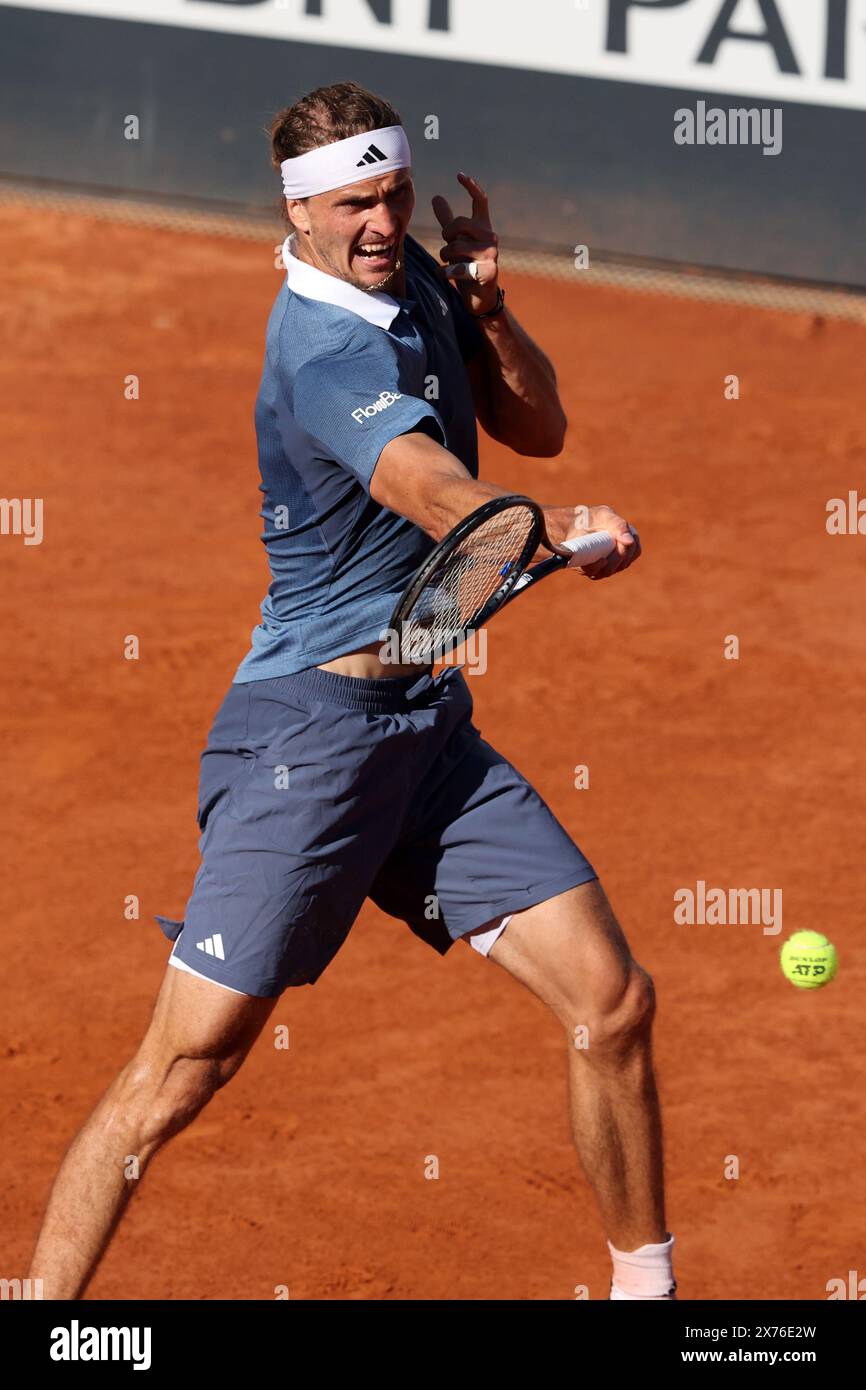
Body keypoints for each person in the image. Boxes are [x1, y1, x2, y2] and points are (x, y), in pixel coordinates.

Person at [28, 80, 674, 1302]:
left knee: (612, 1001)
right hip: (306, 745)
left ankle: (649, 1296)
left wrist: (485, 301)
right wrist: (545, 533)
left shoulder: (417, 276)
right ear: (298, 211)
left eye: (391, 195)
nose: (381, 223)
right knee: (183, 1070)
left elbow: (534, 427)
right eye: (353, 204)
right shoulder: (320, 351)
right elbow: (440, 493)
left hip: (423, 733)